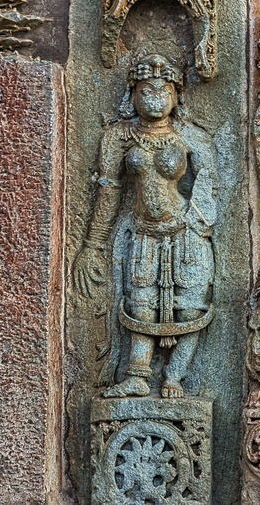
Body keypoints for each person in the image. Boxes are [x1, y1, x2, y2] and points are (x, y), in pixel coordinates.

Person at [74, 50, 216, 399]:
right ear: (132, 94)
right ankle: (138, 374)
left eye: (163, 91)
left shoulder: (191, 137)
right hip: (142, 232)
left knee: (190, 303)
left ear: (177, 96)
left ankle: (175, 377)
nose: (154, 100)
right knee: (140, 301)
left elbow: (209, 184)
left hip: (186, 232)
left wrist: (199, 223)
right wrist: (92, 245)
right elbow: (108, 194)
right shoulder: (118, 137)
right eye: (146, 91)